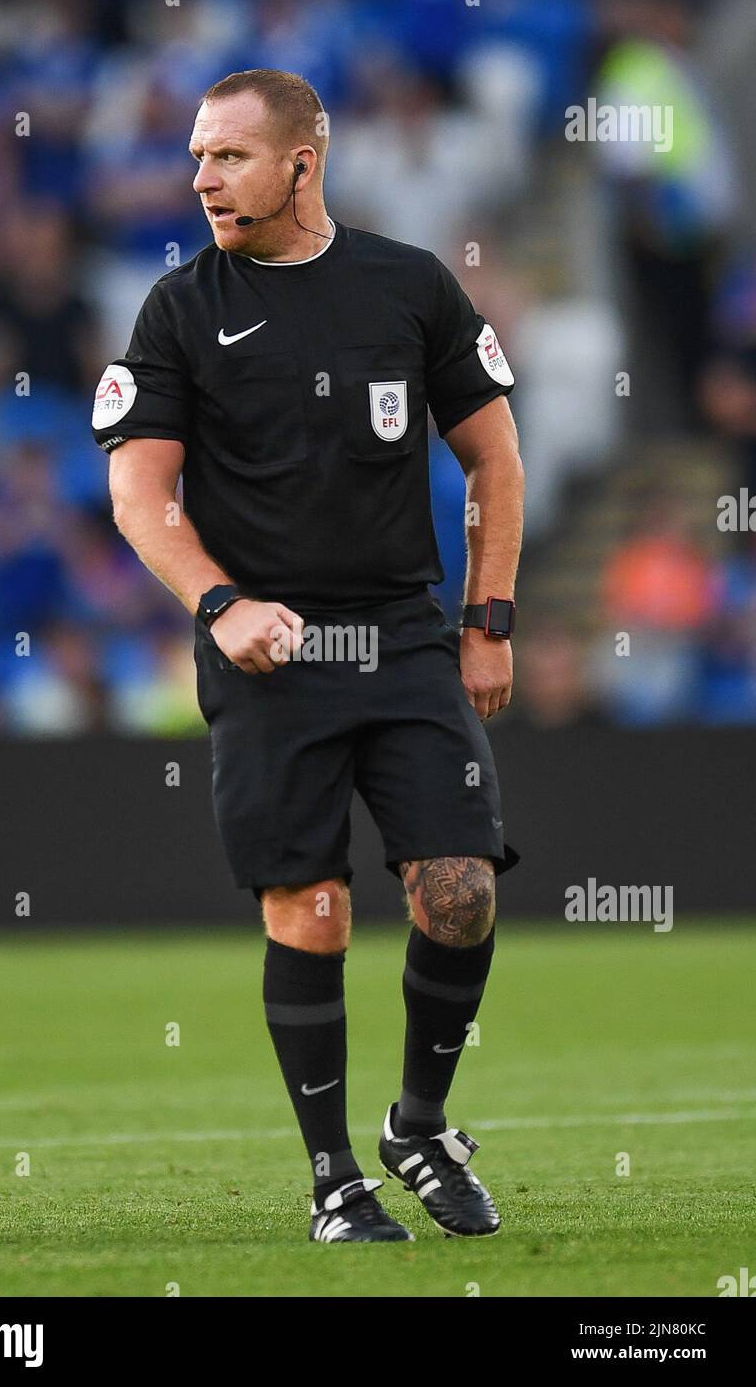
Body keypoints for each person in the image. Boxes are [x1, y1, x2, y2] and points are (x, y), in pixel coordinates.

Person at [92, 69, 523, 1244]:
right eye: (195, 158)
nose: (201, 179)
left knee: (460, 892)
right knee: (314, 908)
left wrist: (488, 618)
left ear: (301, 161)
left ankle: (419, 1123)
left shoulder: (408, 285)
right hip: (270, 651)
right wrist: (223, 602)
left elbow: (493, 459)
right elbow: (138, 492)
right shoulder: (178, 309)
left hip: (402, 636)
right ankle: (336, 1177)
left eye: (227, 157)